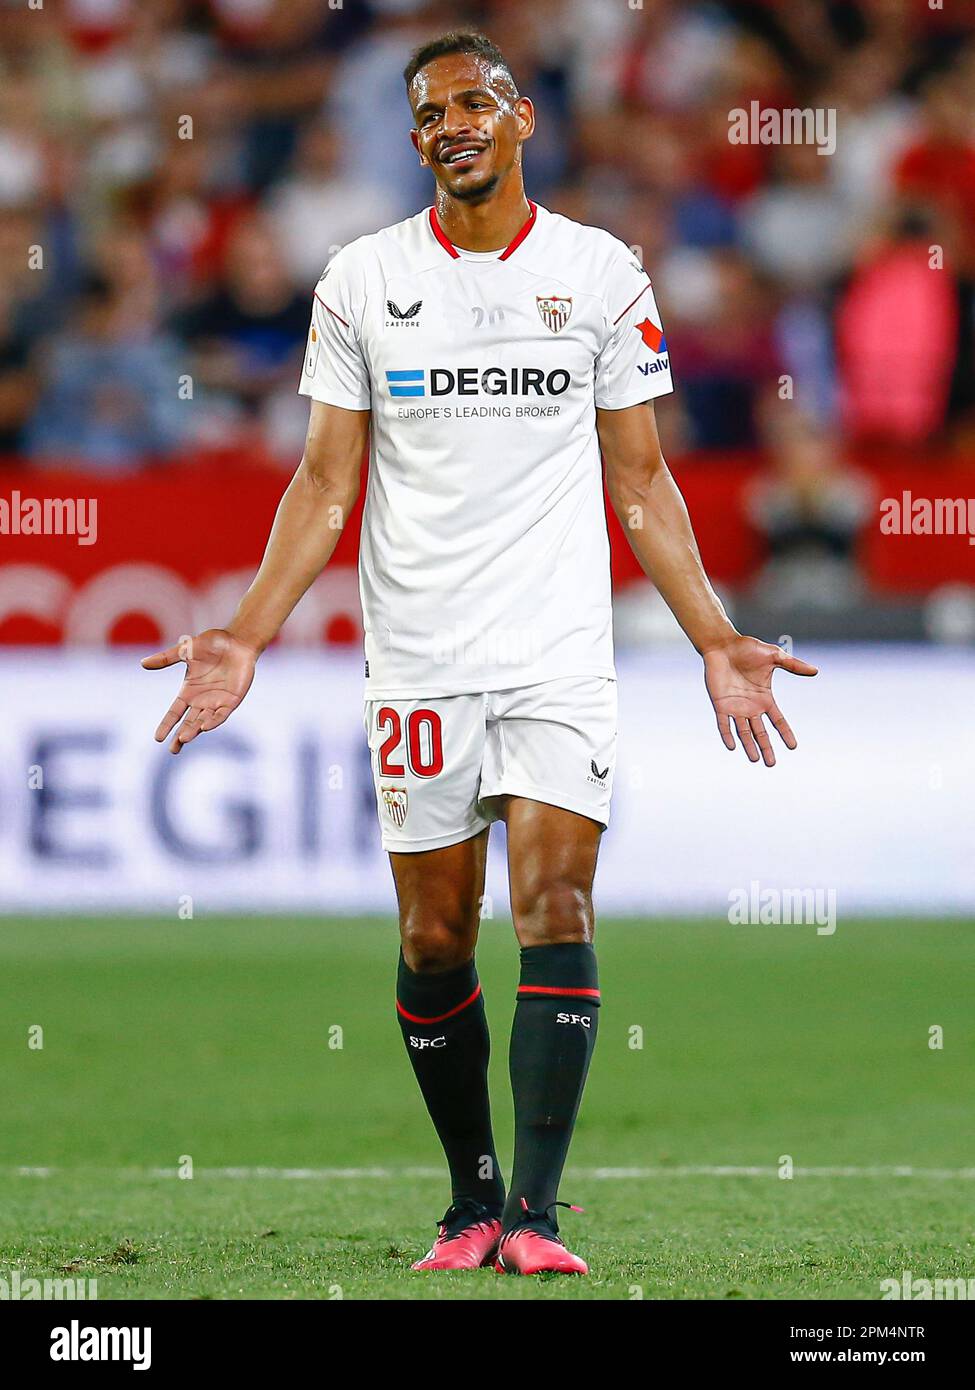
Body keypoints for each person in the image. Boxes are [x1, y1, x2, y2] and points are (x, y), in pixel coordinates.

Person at [142, 31, 817, 1278]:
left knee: (556, 901)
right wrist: (245, 632)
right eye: (429, 112)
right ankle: (471, 1201)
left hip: (559, 650)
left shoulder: (602, 273)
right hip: (419, 656)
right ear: (417, 143)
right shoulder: (359, 279)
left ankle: (540, 1219)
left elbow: (645, 484)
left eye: (472, 102)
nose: (450, 123)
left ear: (519, 119)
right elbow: (324, 482)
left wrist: (716, 635)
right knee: (436, 939)